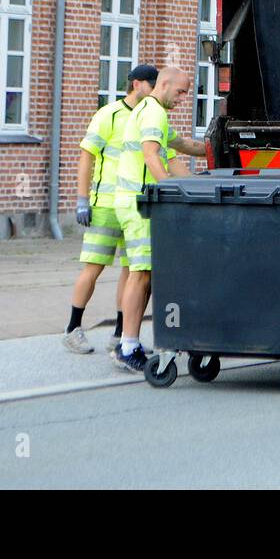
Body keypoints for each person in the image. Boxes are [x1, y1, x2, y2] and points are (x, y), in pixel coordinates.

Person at [111, 66, 205, 370]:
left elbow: (179, 150)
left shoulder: (148, 111)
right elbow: (152, 155)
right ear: (164, 84)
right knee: (141, 275)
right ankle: (127, 347)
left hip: (134, 203)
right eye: (180, 92)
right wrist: (168, 192)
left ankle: (128, 341)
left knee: (144, 273)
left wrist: (200, 184)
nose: (182, 99)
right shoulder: (153, 113)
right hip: (140, 204)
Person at [61, 65, 159, 354]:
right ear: (137, 84)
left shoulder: (146, 116)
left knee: (132, 270)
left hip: (131, 204)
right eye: (151, 85)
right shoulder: (108, 114)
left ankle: (120, 333)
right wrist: (82, 199)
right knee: (94, 266)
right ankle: (72, 329)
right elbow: (86, 156)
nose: (154, 91)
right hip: (105, 204)